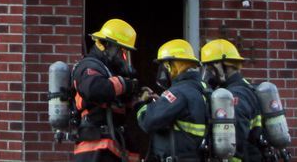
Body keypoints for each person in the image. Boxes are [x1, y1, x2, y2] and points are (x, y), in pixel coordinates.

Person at [72, 18, 141, 162]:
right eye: (122, 52)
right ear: (107, 45)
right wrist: (124, 84)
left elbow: (116, 105)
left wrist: (138, 98)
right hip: (94, 150)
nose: (124, 58)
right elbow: (94, 89)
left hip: (108, 147)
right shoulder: (89, 66)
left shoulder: (108, 71)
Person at [135, 39, 208, 162]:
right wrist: (161, 103)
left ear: (172, 65)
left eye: (164, 65)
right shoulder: (198, 89)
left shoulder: (179, 92)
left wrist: (141, 104)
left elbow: (148, 121)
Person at [200, 39, 262, 162]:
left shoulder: (235, 95)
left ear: (223, 65)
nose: (208, 75)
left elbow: (235, 138)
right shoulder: (245, 88)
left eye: (210, 69)